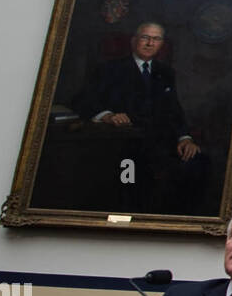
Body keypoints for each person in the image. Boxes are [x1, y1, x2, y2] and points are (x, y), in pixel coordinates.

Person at [75, 21, 209, 214]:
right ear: (134, 41)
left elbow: (174, 110)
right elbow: (82, 101)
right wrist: (108, 115)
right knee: (131, 183)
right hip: (124, 144)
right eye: (145, 37)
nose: (150, 43)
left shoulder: (165, 72)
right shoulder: (109, 69)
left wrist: (185, 138)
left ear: (161, 44)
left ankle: (180, 223)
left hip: (162, 144)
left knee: (199, 163)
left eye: (156, 39)